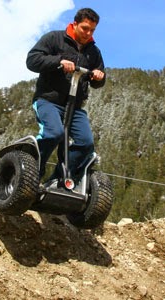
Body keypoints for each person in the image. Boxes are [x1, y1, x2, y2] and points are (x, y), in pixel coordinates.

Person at [26, 7, 106, 184]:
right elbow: (32, 60)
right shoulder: (55, 38)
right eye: (85, 28)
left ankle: (58, 179)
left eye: (92, 30)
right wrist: (58, 61)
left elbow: (98, 80)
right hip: (48, 100)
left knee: (86, 143)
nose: (88, 33)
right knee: (54, 133)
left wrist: (99, 76)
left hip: (75, 107)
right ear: (75, 24)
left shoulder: (94, 52)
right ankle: (32, 172)